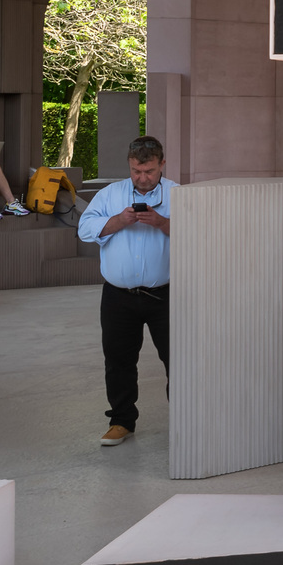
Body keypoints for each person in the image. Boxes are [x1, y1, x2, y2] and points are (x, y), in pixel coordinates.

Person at [78, 136, 175, 447]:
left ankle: (184, 421)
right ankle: (121, 421)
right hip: (118, 296)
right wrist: (118, 220)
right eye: (136, 171)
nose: (142, 178)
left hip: (167, 295)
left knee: (178, 361)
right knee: (118, 361)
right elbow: (85, 229)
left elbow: (203, 232)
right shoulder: (109, 194)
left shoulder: (179, 194)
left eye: (149, 171)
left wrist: (162, 223)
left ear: (162, 164)